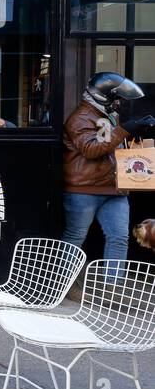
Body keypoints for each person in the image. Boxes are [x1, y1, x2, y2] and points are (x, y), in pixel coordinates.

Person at [63, 72, 155, 262]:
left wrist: (133, 131)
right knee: (74, 240)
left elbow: (108, 144)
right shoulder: (80, 118)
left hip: (114, 188)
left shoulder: (108, 115)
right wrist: (125, 130)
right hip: (84, 189)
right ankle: (59, 284)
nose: (119, 102)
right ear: (104, 96)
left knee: (119, 238)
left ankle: (112, 288)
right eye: (116, 98)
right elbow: (91, 150)